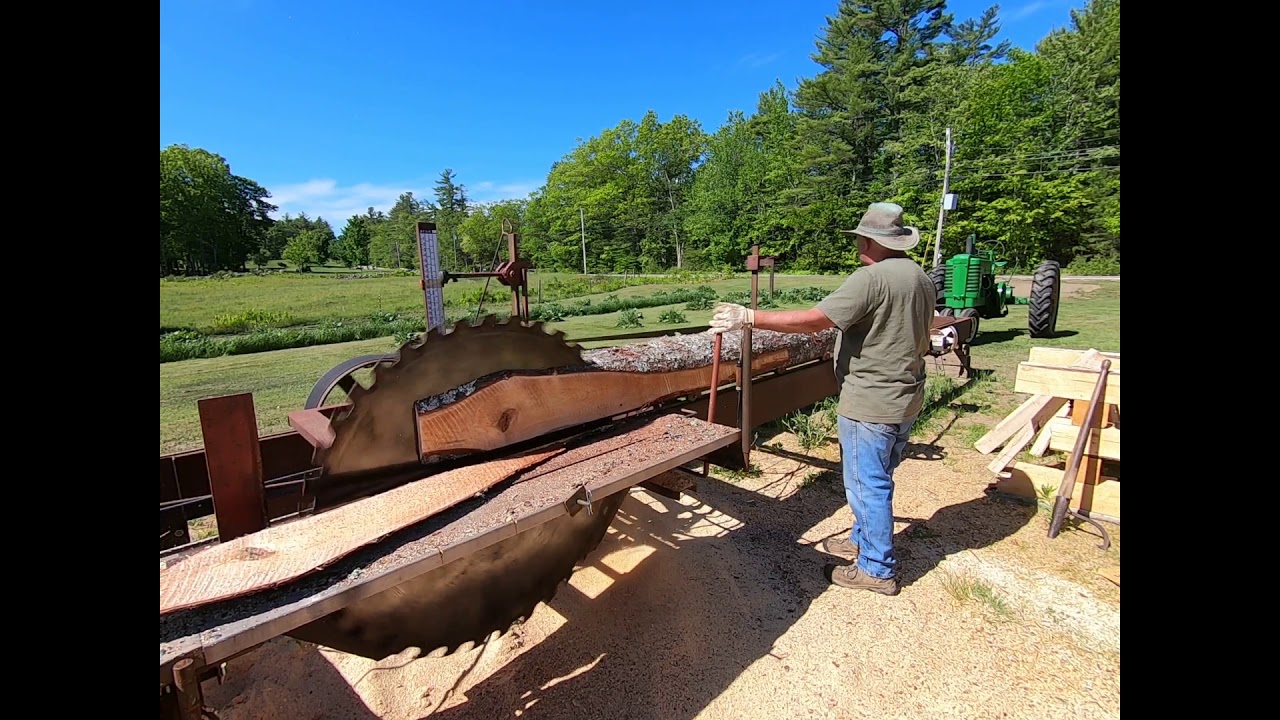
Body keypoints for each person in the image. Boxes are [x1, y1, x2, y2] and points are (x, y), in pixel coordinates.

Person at [708, 202, 937, 596]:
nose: (858, 246)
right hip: (905, 396)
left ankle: (876, 569)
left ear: (871, 241)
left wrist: (750, 317)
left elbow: (816, 320)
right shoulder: (920, 277)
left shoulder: (872, 279)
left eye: (861, 239)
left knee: (867, 484)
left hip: (871, 401)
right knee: (878, 476)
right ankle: (862, 540)